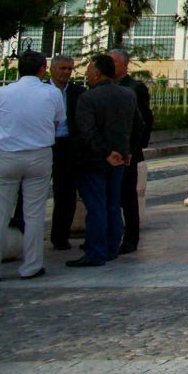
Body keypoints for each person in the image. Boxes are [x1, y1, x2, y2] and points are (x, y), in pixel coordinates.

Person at [0, 51, 64, 283]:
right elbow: (57, 121)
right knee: (34, 213)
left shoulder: (3, 92)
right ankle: (32, 266)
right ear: (43, 69)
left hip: (7, 155)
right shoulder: (52, 93)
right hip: (40, 154)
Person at [68, 54, 136, 267]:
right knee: (113, 204)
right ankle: (111, 247)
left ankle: (96, 252)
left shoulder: (88, 98)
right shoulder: (127, 95)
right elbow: (138, 125)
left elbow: (87, 132)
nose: (86, 75)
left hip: (94, 161)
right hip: (119, 160)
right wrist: (126, 151)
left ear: (97, 73)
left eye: (88, 71)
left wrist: (107, 152)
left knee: (96, 206)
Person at [108, 49, 152, 255]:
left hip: (127, 152)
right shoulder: (104, 86)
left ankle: (131, 238)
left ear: (125, 65)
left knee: (128, 197)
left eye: (114, 62)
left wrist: (134, 150)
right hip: (107, 152)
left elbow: (143, 122)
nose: (110, 65)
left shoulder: (135, 88)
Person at [48, 55, 85, 250]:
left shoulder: (78, 93)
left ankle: (60, 236)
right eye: (62, 68)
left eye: (69, 69)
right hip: (45, 144)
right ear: (52, 69)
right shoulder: (42, 90)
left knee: (66, 193)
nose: (66, 72)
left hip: (68, 145)